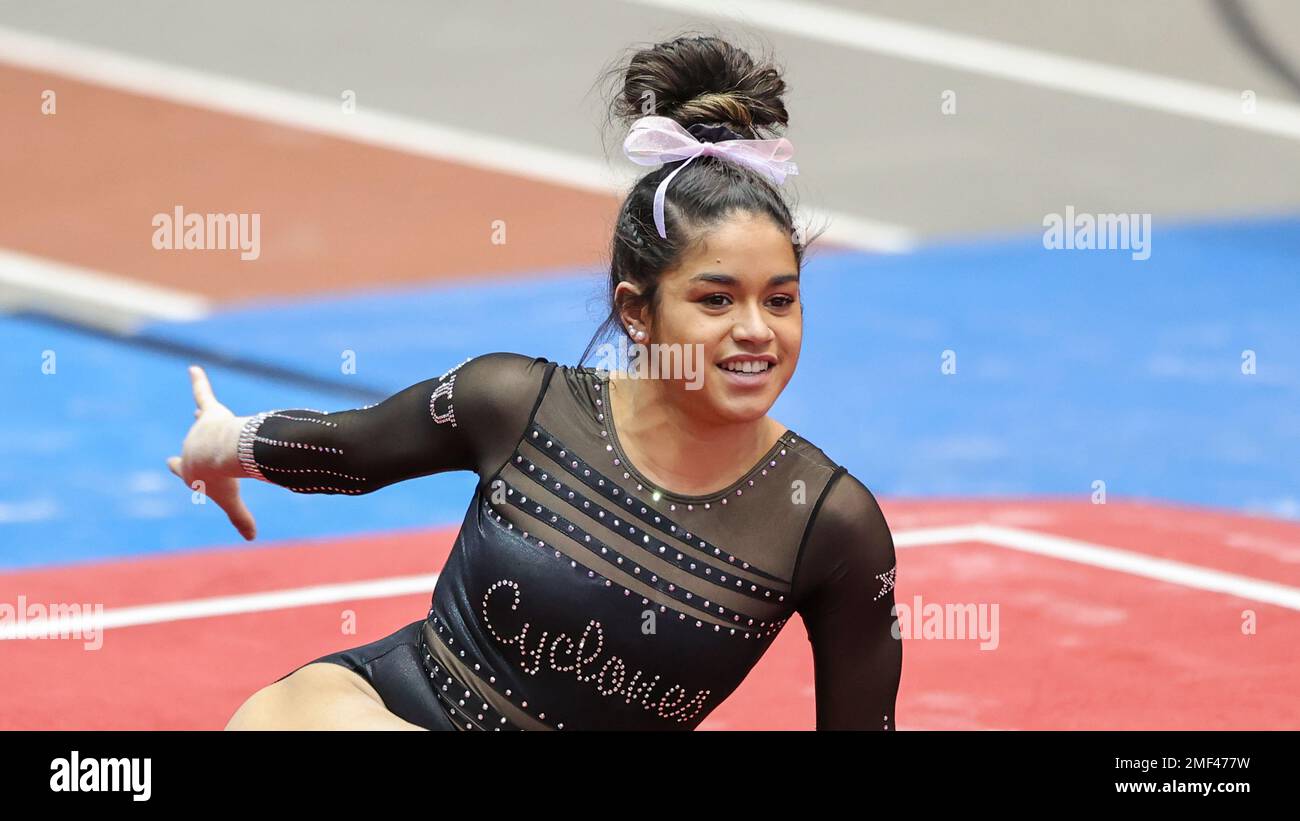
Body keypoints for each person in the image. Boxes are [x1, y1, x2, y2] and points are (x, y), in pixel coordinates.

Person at [167, 34, 901, 731]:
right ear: (636, 313)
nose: (755, 330)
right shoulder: (514, 403)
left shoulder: (830, 526)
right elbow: (351, 450)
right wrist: (219, 442)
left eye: (780, 298)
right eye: (716, 299)